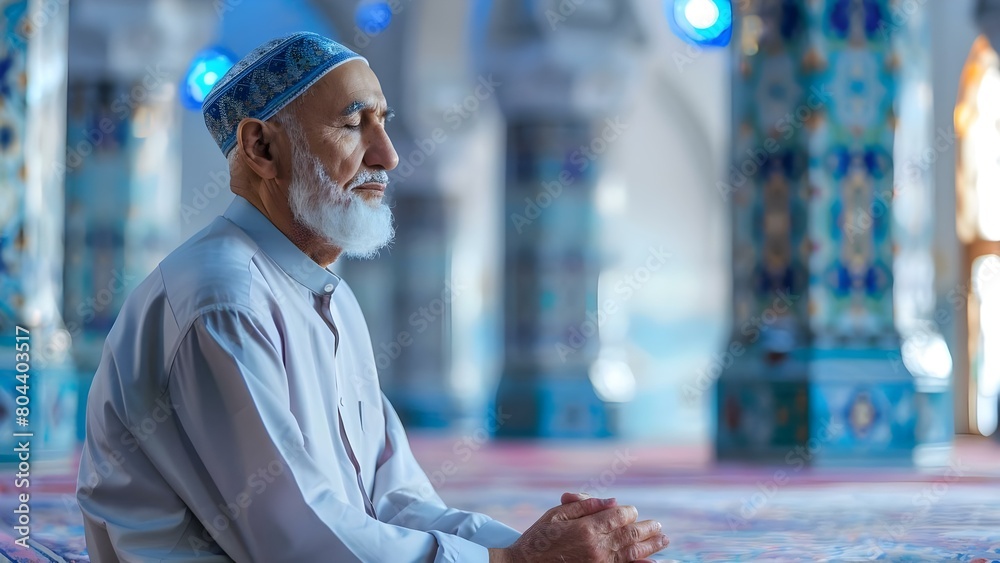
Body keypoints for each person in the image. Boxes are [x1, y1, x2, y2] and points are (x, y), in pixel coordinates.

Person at [76, 32, 669, 562]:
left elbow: (394, 500)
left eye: (385, 121)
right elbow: (297, 540)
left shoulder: (326, 295)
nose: (387, 154)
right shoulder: (224, 300)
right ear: (261, 148)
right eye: (354, 123)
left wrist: (520, 546)